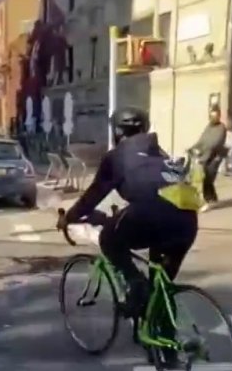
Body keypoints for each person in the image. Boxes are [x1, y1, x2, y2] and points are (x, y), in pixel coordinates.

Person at [56, 107, 201, 320]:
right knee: (159, 292)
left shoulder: (117, 156)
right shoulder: (161, 155)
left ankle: (135, 283)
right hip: (187, 220)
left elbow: (94, 195)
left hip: (150, 214)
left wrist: (69, 218)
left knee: (108, 238)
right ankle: (164, 345)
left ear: (117, 132)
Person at [190, 107, 227, 210]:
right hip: (206, 157)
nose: (213, 118)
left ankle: (208, 201)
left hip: (215, 157)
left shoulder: (221, 128)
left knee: (208, 178)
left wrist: (201, 152)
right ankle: (213, 199)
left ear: (219, 116)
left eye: (215, 116)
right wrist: (193, 148)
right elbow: (202, 140)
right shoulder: (208, 127)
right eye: (211, 116)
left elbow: (215, 143)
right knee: (206, 179)